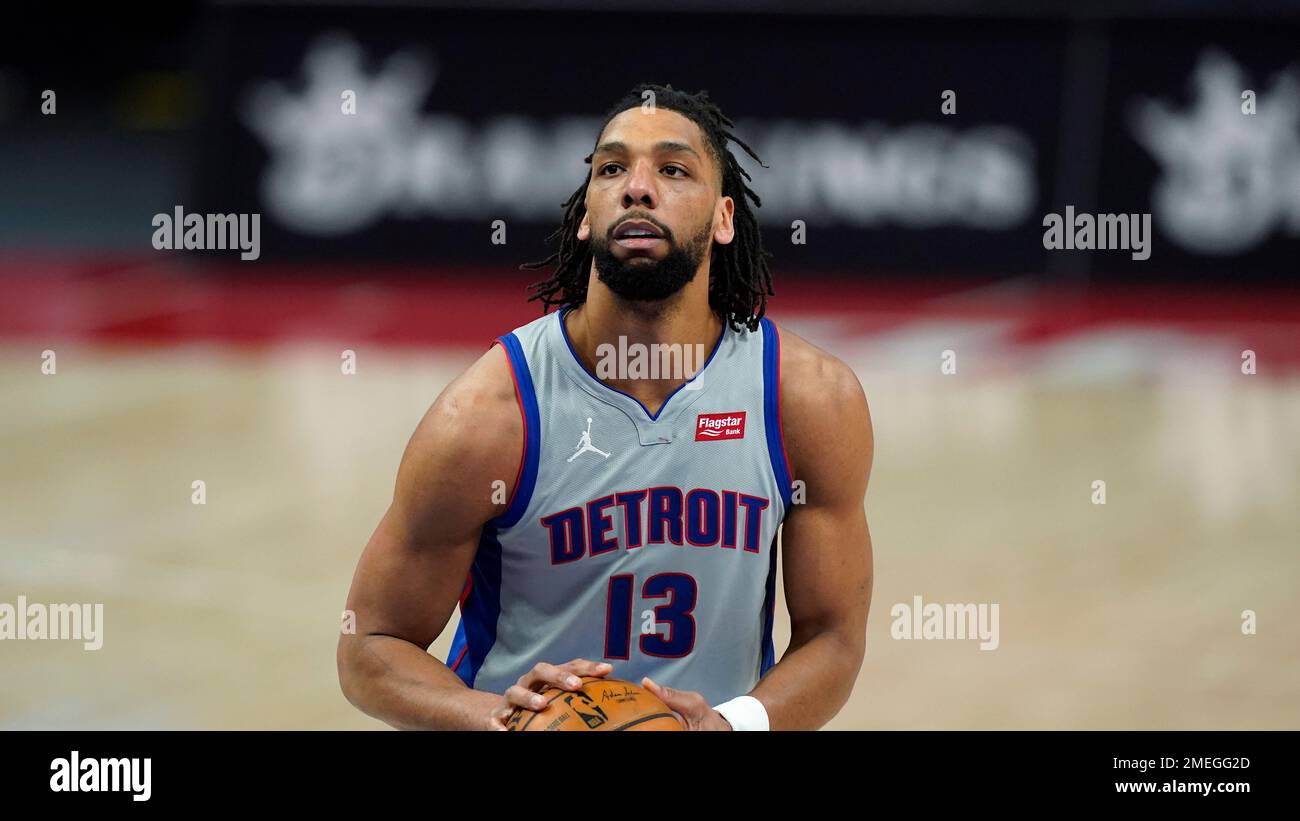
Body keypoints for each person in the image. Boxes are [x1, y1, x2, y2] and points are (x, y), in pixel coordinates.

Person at [337, 84, 874, 730]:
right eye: (612, 168)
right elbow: (369, 647)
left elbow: (832, 636)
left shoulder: (805, 399)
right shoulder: (487, 416)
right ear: (586, 214)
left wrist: (735, 723)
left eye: (672, 169)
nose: (638, 186)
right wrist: (503, 718)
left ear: (725, 218)